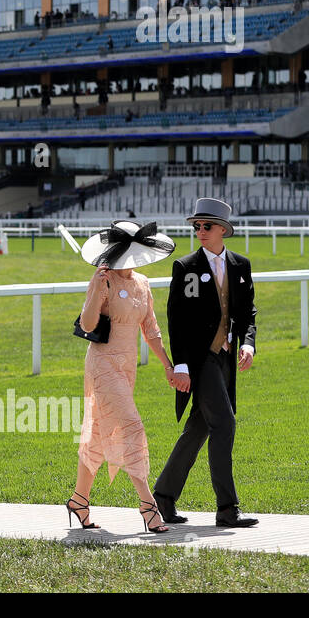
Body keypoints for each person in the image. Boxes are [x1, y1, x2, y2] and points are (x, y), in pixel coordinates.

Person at [152, 199, 259, 528]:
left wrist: (249, 344)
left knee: (199, 427)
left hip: (226, 357)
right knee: (224, 425)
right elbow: (176, 318)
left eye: (206, 226)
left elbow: (247, 313)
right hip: (200, 361)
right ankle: (227, 508)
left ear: (223, 230)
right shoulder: (185, 267)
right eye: (196, 226)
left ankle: (163, 498)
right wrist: (180, 364)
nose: (200, 231)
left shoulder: (240, 266)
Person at [66, 221, 178, 534]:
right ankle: (148, 507)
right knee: (132, 426)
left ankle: (79, 500)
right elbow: (88, 326)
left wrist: (168, 366)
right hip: (101, 364)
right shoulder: (104, 279)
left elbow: (151, 331)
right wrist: (97, 290)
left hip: (127, 369)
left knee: (99, 432)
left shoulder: (143, 283)